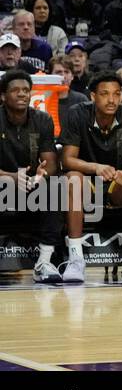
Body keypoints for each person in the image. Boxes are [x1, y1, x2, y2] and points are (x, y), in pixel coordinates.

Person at [59, 72, 122, 282]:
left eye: (117, 94)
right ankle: (76, 259)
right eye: (105, 94)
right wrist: (95, 167)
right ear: (93, 96)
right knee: (72, 178)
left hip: (118, 184)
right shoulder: (76, 113)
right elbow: (67, 160)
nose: (112, 99)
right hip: (88, 185)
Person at [0, 70, 61, 283]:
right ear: (3, 96)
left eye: (26, 90)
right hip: (3, 188)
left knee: (56, 186)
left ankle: (44, 262)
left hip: (31, 187)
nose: (22, 94)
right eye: (15, 90)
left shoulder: (42, 120)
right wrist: (11, 177)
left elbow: (51, 162)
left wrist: (42, 175)